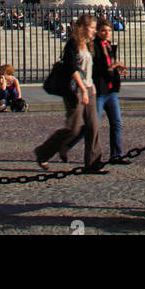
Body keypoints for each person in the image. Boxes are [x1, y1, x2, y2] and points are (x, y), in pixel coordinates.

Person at [35, 18, 108, 173]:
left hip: (88, 89)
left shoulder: (89, 45)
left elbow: (87, 69)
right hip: (75, 91)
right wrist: (82, 89)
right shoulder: (72, 44)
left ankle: (93, 163)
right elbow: (72, 68)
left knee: (93, 126)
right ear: (83, 27)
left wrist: (91, 86)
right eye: (92, 28)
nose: (95, 31)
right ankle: (43, 152)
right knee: (73, 129)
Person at [92, 18, 126, 162]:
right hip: (99, 91)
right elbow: (94, 70)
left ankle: (116, 154)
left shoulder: (109, 47)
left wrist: (117, 69)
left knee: (117, 122)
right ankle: (68, 145)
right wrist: (111, 67)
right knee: (94, 125)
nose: (106, 33)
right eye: (103, 31)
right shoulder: (93, 47)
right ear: (97, 32)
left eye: (109, 30)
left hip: (111, 91)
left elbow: (109, 67)